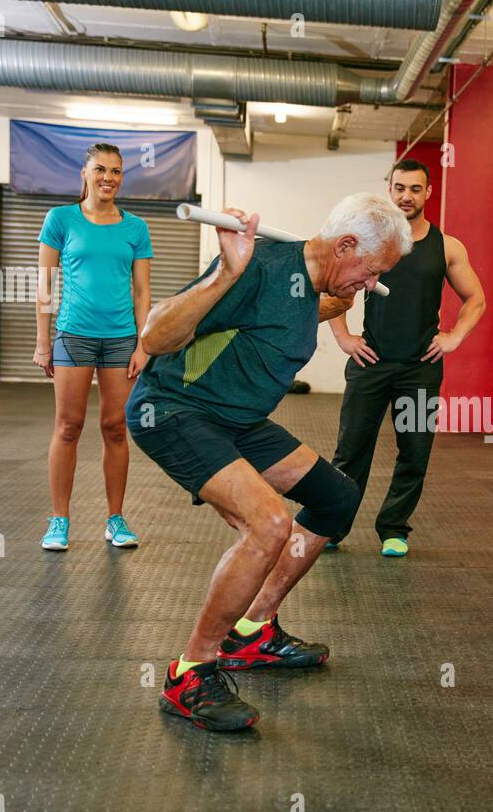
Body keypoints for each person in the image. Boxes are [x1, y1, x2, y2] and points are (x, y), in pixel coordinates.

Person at [126, 194, 412, 731]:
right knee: (269, 523)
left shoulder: (319, 283)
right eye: (371, 271)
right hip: (175, 410)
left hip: (239, 420)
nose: (370, 284)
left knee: (336, 498)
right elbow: (155, 335)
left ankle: (253, 631)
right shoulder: (255, 268)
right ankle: (192, 670)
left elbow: (317, 300)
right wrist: (225, 274)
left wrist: (352, 287)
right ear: (345, 246)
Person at [324, 158, 485, 557]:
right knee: (351, 450)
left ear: (428, 193)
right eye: (399, 188)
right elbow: (333, 287)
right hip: (370, 365)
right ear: (389, 189)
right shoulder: (367, 240)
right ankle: (332, 525)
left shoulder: (446, 246)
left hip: (420, 369)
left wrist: (454, 336)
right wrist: (343, 337)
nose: (406, 196)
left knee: (414, 450)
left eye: (415, 189)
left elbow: (476, 299)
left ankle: (394, 528)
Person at [34, 142, 152, 551]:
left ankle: (115, 519)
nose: (108, 178)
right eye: (100, 169)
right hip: (74, 335)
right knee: (68, 427)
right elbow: (46, 286)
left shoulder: (135, 228)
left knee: (116, 428)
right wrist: (42, 341)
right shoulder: (61, 219)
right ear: (84, 173)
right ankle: (59, 520)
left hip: (121, 339)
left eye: (116, 171)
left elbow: (141, 290)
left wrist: (143, 344)